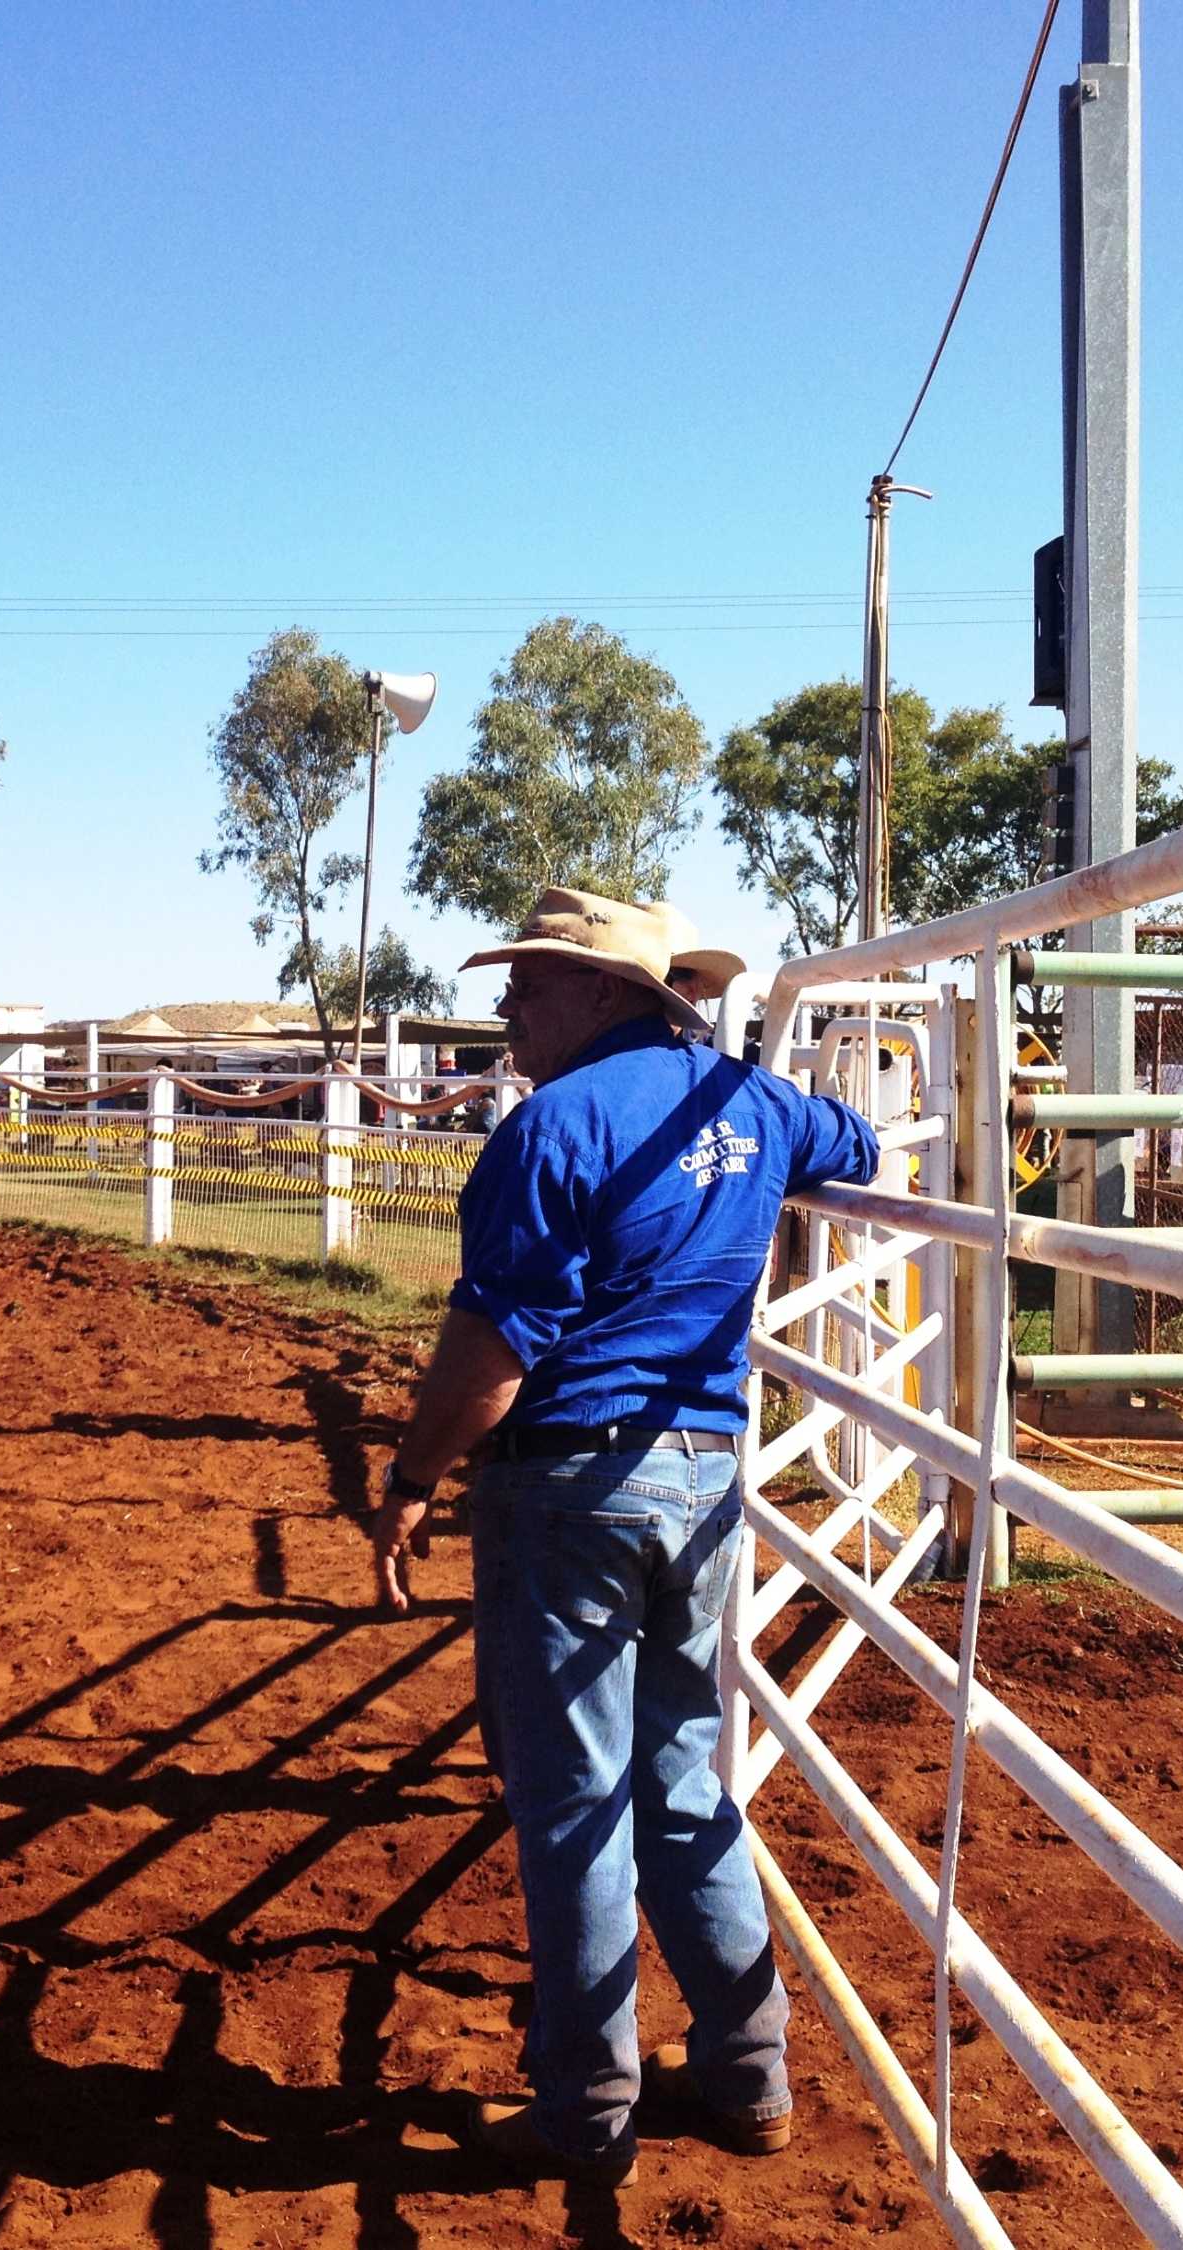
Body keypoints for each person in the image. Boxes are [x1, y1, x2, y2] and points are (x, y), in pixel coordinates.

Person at [368, 886, 879, 2184]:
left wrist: (415, 1470)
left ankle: (589, 2105)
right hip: (702, 1478)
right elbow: (860, 1144)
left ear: (607, 993)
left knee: (575, 1799)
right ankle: (747, 2067)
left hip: (572, 1485)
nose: (507, 1003)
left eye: (532, 980)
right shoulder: (749, 1105)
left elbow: (492, 1352)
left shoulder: (552, 1129)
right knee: (684, 1774)